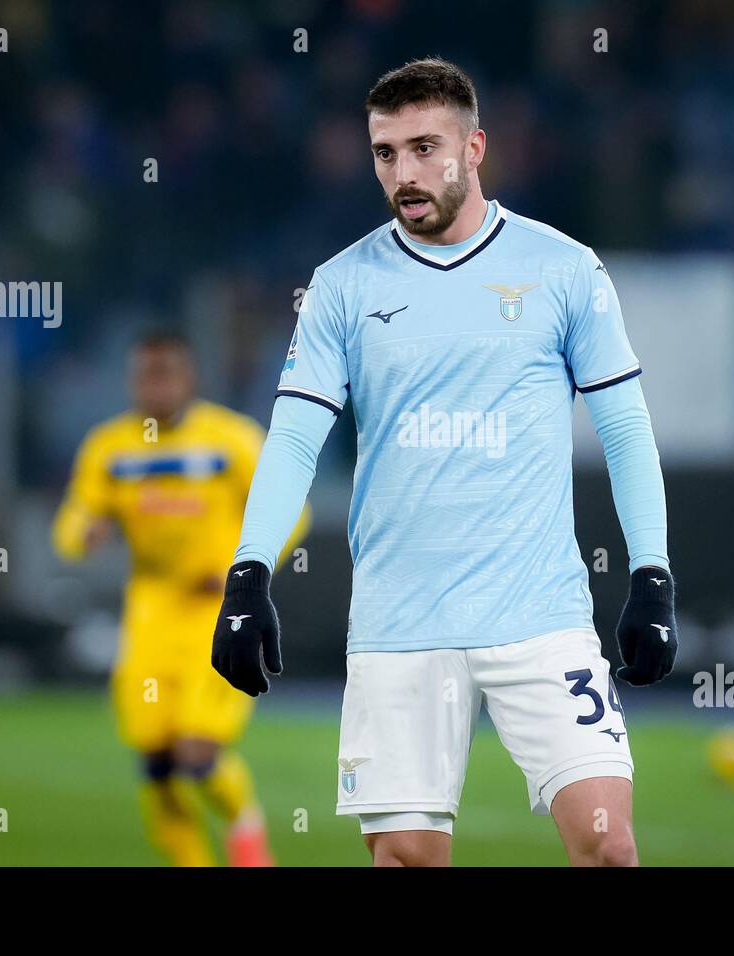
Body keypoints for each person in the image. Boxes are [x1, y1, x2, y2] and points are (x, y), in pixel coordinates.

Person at [210, 58, 678, 867]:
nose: (404, 173)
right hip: (401, 623)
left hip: (541, 617)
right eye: (385, 154)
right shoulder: (340, 287)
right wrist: (248, 574)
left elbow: (628, 429)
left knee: (609, 848)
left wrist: (653, 574)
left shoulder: (564, 270)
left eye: (426, 148)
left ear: (475, 148)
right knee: (408, 860)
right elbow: (291, 438)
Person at [53, 332, 307, 866]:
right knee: (157, 766)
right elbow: (71, 522)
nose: (156, 385)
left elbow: (292, 509)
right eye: (145, 374)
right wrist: (85, 532)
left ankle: (243, 822)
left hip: (219, 616)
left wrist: (240, 569)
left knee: (197, 753)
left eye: (166, 373)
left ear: (189, 377)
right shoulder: (111, 446)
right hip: (149, 615)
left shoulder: (229, 438)